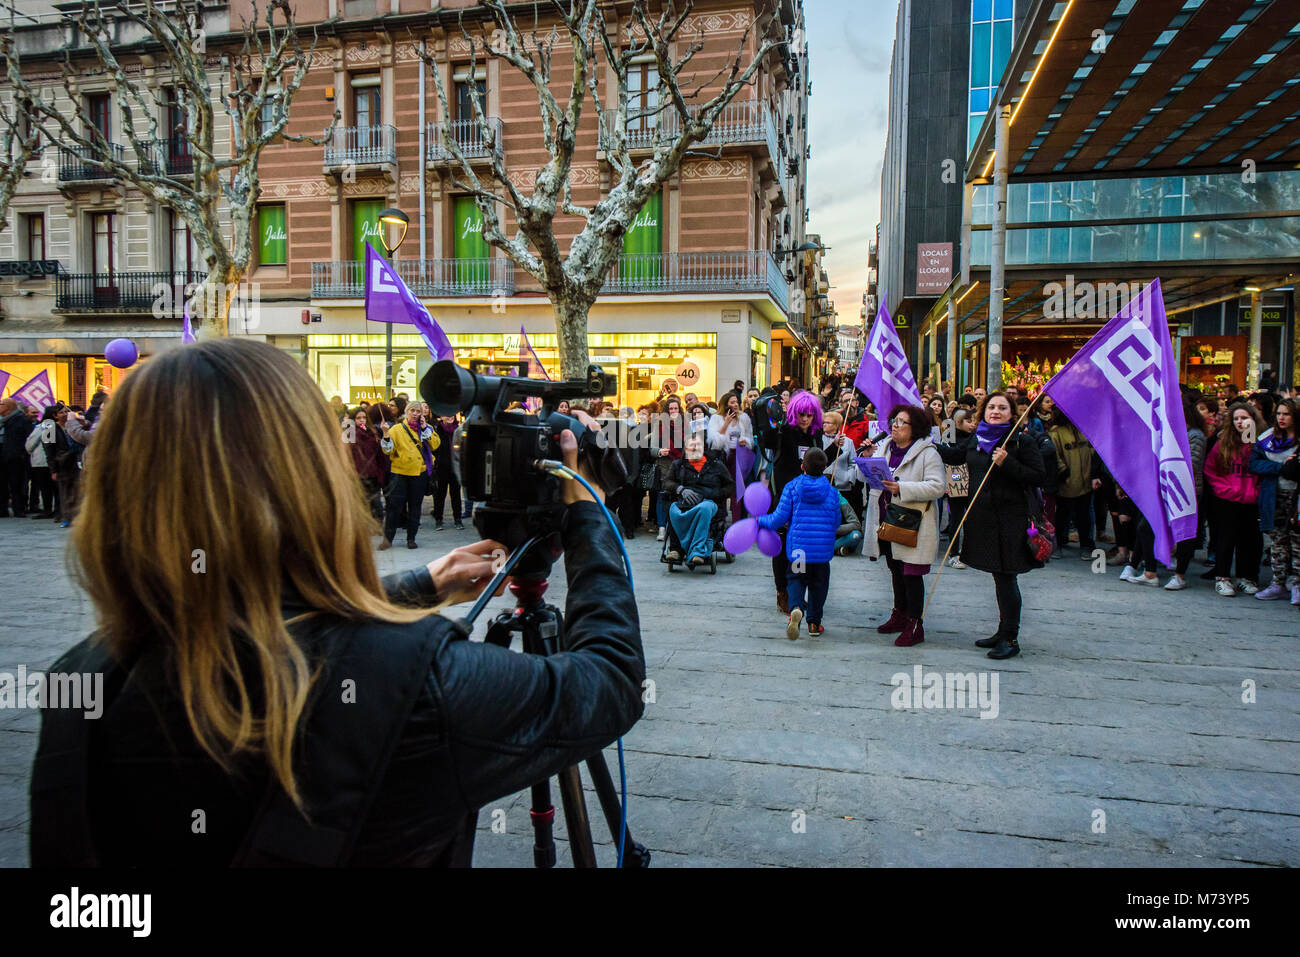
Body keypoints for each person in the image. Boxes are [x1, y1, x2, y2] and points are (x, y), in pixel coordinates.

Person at [30, 337, 643, 867]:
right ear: (310, 478)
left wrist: (415, 588)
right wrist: (586, 514)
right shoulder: (418, 684)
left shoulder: (80, 682)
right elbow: (610, 683)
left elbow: (263, 617)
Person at [936, 392, 1047, 659]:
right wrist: (929, 445)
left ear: (1012, 413)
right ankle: (1002, 630)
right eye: (992, 407)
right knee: (998, 577)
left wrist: (1007, 463)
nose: (995, 411)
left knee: (1007, 577)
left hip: (1011, 520)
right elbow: (955, 456)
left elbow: (1039, 476)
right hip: (984, 518)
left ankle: (1011, 637)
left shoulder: (1021, 441)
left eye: (1002, 408)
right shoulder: (977, 438)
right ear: (983, 411)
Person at [859, 404, 945, 647]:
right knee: (895, 568)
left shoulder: (928, 453)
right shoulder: (885, 446)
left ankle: (915, 623)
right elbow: (868, 479)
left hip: (913, 523)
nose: (894, 426)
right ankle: (899, 613)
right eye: (893, 421)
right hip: (887, 518)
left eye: (901, 422)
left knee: (912, 574)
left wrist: (903, 488)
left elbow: (938, 486)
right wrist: (866, 461)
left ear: (914, 428)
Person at [757, 447, 842, 639]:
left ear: (802, 466)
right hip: (821, 553)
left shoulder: (792, 487)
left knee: (796, 579)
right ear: (825, 467)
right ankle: (814, 623)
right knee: (819, 586)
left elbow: (778, 519)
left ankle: (795, 608)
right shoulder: (831, 492)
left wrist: (760, 520)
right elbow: (836, 522)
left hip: (799, 550)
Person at [757, 390, 821, 614]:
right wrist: (768, 417)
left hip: (808, 501)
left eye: (810, 415)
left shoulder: (815, 436)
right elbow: (766, 438)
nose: (805, 418)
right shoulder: (785, 431)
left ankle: (796, 593)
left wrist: (834, 447)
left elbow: (820, 465)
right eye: (802, 414)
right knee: (782, 548)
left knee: (801, 549)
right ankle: (782, 591)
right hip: (784, 499)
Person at [1204, 402, 1264, 596]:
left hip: (1252, 500)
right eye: (1236, 418)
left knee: (1251, 540)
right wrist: (1224, 489)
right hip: (1227, 499)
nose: (1240, 422)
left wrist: (1257, 492)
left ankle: (1246, 577)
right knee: (1225, 539)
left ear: (1253, 419)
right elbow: (1211, 469)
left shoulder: (1261, 443)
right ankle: (1222, 578)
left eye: (1244, 418)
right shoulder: (1223, 442)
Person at [1160, 393, 1210, 591]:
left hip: (1188, 490)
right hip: (1172, 487)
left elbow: (1193, 463)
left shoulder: (1195, 435)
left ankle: (1180, 574)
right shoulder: (1177, 432)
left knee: (1185, 533)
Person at [1250, 398, 1298, 603]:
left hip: (1295, 499)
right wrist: (1279, 468)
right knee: (1278, 542)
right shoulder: (1267, 438)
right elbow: (1254, 464)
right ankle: (1278, 582)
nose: (1281, 418)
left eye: (1286, 414)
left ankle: (1296, 584)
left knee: (1297, 542)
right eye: (1279, 413)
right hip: (1273, 496)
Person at [662, 435, 732, 567]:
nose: (695, 448)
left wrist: (713, 494)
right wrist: (680, 489)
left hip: (710, 503)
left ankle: (698, 551)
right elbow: (666, 482)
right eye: (691, 445)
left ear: (703, 447)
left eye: (698, 445)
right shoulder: (678, 465)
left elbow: (730, 486)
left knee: (705, 508)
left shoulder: (716, 465)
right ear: (686, 449)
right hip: (685, 503)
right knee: (672, 508)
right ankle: (676, 550)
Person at [379, 401, 439, 551]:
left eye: (418, 411)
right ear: (406, 412)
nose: (415, 413)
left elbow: (436, 445)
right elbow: (387, 450)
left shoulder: (427, 428)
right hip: (399, 473)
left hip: (419, 473)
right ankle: (388, 539)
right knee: (394, 507)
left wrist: (425, 428)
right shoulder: (397, 429)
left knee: (415, 506)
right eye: (412, 410)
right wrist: (386, 433)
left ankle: (411, 538)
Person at [1049, 407, 1100, 559]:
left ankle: (1087, 545)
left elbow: (1093, 452)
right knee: (1063, 515)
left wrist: (1093, 474)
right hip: (1067, 483)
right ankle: (1057, 544)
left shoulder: (1084, 430)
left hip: (1085, 481)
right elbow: (1055, 456)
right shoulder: (1056, 433)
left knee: (1084, 516)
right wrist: (1064, 472)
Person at [707, 392, 753, 522]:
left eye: (736, 402)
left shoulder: (743, 418)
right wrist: (726, 423)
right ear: (725, 405)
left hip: (739, 456)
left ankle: (737, 521)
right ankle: (719, 521)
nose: (735, 405)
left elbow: (750, 438)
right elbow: (714, 442)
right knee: (721, 489)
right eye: (732, 402)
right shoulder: (716, 418)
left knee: (738, 491)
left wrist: (745, 441)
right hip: (722, 457)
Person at [941, 408, 978, 567]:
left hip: (973, 484)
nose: (973, 425)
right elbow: (949, 458)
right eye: (969, 421)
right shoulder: (948, 438)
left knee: (972, 520)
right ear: (958, 422)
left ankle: (969, 552)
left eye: (974, 421)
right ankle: (954, 553)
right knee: (956, 519)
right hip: (955, 485)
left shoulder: (976, 438)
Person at [652, 396, 687, 541]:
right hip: (665, 465)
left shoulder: (686, 425)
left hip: (683, 465)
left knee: (680, 496)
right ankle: (661, 528)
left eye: (676, 408)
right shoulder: (659, 425)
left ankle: (677, 527)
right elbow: (652, 448)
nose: (673, 411)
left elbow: (692, 444)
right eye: (671, 409)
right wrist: (660, 451)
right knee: (663, 496)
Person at [347, 407, 386, 520]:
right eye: (358, 418)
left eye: (364, 417)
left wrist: (381, 473)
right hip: (357, 475)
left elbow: (379, 455)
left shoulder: (372, 433)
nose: (362, 420)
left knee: (376, 503)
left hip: (372, 475)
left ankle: (376, 524)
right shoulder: (349, 434)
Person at [1, 397, 33, 517]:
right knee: (2, 484)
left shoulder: (21, 420)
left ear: (8, 407)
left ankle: (19, 508)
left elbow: (28, 438)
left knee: (17, 484)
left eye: (1, 404)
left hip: (16, 457)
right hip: (4, 456)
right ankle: (2, 509)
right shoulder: (4, 421)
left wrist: (22, 454)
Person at [430, 414, 464, 531]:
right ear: (441, 417)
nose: (450, 416)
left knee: (456, 495)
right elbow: (433, 448)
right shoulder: (436, 430)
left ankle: (458, 519)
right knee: (440, 495)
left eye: (452, 414)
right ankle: (438, 520)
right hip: (441, 467)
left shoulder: (459, 430)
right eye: (446, 414)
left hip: (455, 467)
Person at [25, 406, 57, 518]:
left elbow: (30, 444)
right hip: (47, 460)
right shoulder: (51, 425)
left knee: (46, 487)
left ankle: (48, 509)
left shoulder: (46, 425)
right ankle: (52, 509)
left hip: (43, 461)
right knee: (50, 487)